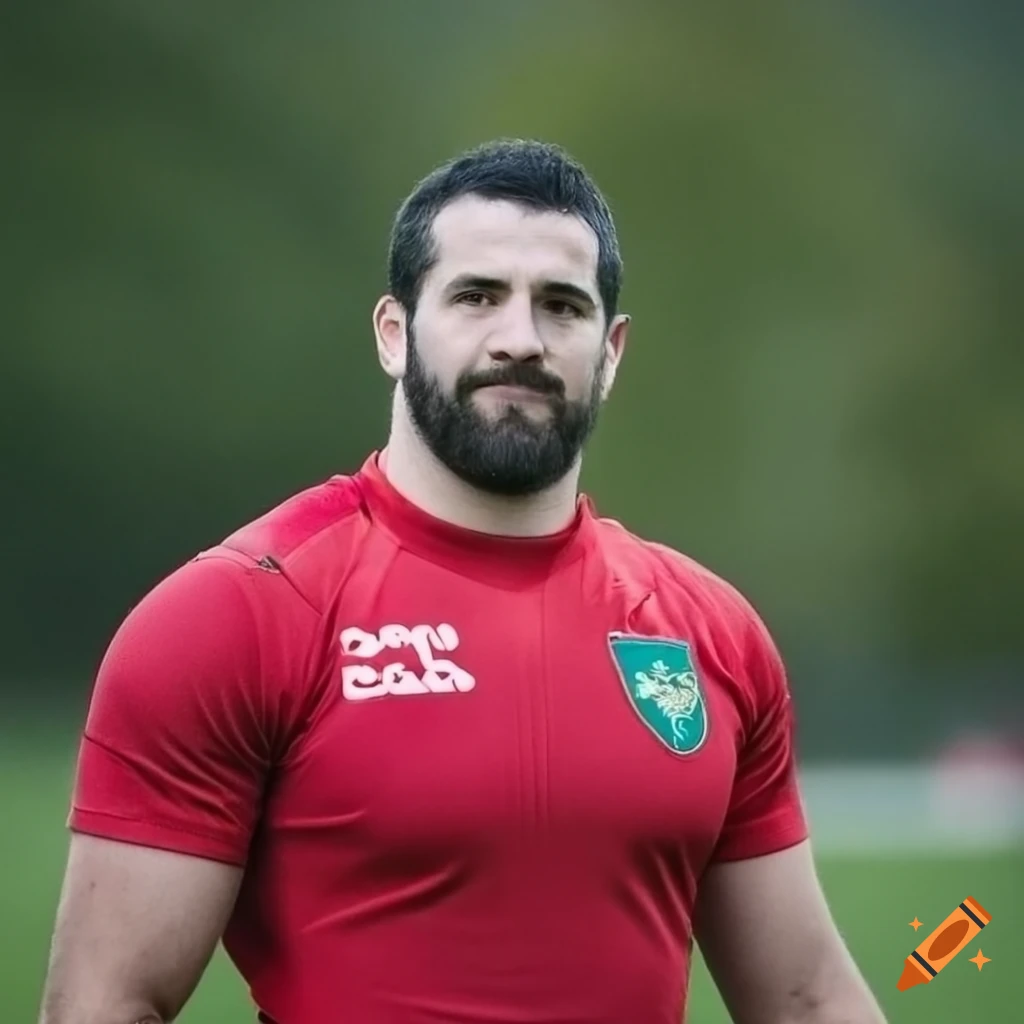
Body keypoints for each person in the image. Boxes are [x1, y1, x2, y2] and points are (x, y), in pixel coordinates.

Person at [39, 139, 887, 1024]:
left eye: (562, 307)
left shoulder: (709, 634)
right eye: (477, 296)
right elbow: (104, 1004)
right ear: (395, 334)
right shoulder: (237, 614)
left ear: (611, 351)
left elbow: (806, 999)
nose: (519, 338)